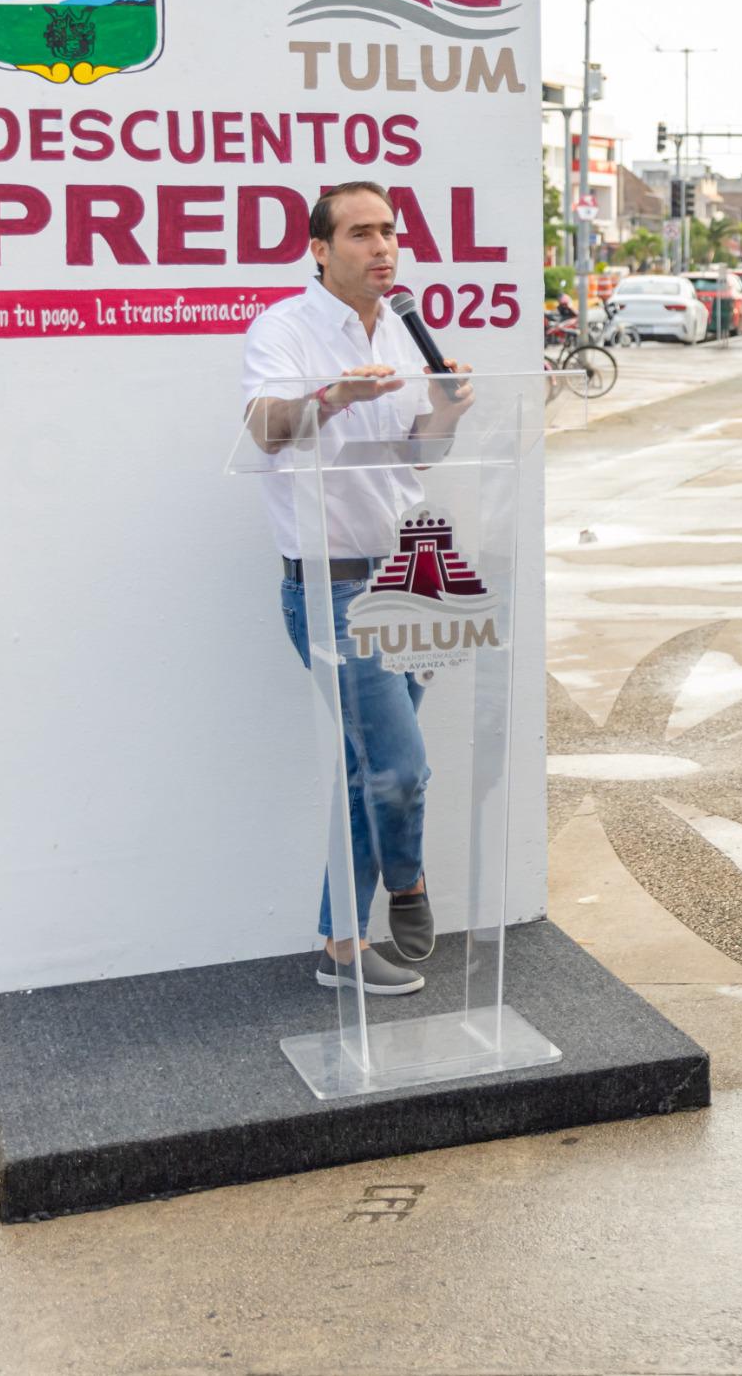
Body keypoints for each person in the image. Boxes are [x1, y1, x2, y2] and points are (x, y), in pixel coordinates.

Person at [242, 182, 476, 997]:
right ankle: (407, 884)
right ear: (319, 249)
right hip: (333, 585)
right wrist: (336, 393)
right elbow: (264, 430)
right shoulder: (285, 328)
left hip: (413, 575)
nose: (382, 248)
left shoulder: (409, 333)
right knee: (399, 772)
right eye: (361, 234)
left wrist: (444, 412)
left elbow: (420, 461)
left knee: (367, 771)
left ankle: (341, 947)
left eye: (390, 232)